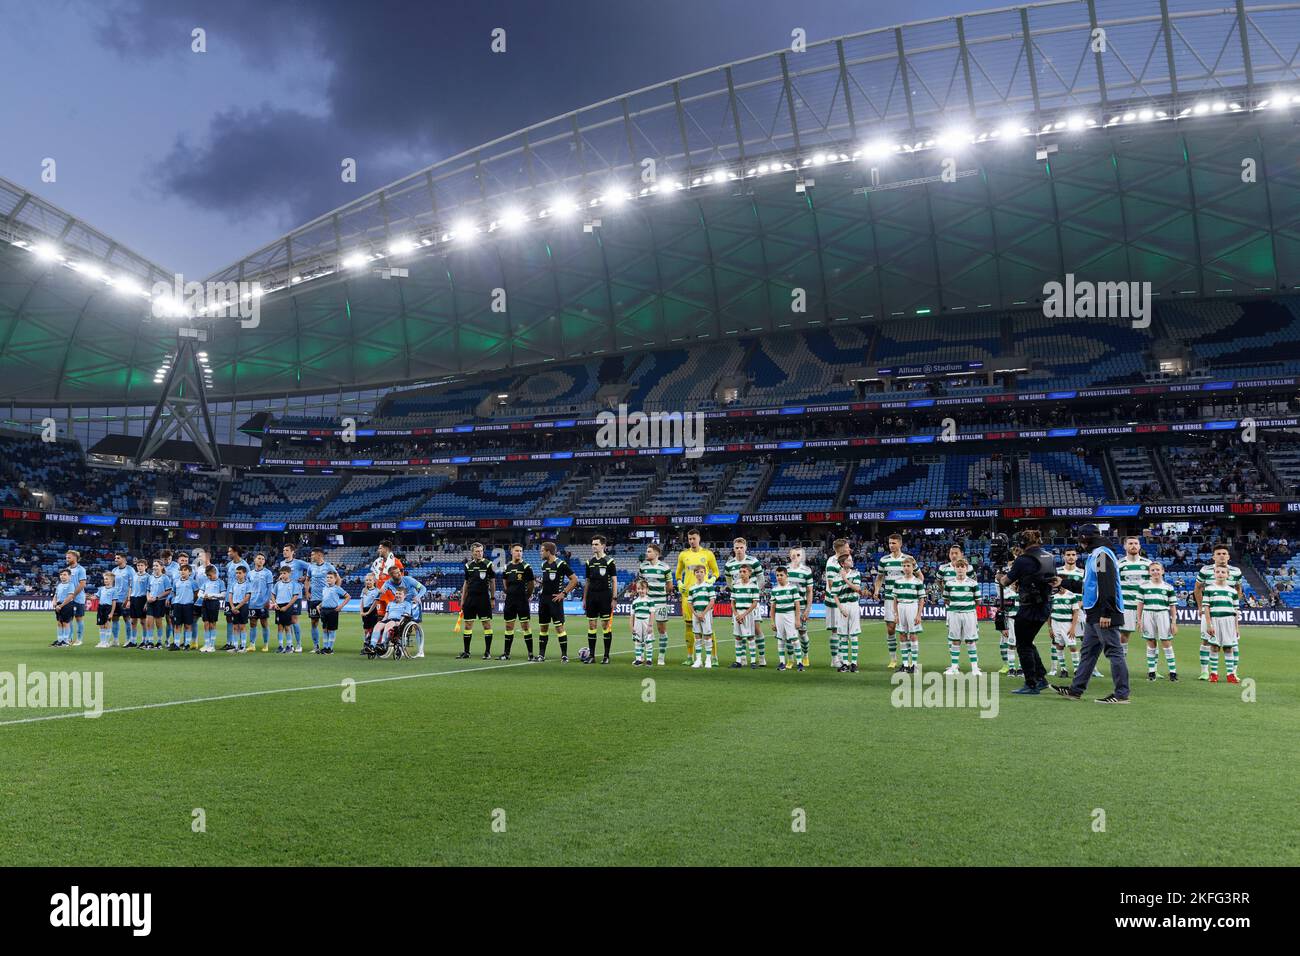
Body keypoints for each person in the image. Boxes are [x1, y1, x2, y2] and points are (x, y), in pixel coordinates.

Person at [1052, 524, 1131, 703]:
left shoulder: (1101, 555)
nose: (1079, 543)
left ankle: (1122, 694)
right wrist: (1062, 582)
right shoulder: (1097, 554)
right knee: (1088, 653)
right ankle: (1075, 690)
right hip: (1095, 612)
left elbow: (1107, 583)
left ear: (1085, 538)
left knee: (1114, 652)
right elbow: (1089, 586)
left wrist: (1107, 612)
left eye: (1080, 539)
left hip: (1103, 612)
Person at [998, 530, 1056, 694]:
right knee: (1028, 642)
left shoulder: (1023, 560)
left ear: (1023, 544)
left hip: (1029, 608)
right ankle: (1041, 678)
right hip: (1044, 606)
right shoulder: (1049, 557)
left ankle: (1031, 683)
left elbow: (1005, 581)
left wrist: (999, 576)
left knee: (1022, 645)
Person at [674, 528, 719, 664]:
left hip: (704, 596)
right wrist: (680, 582)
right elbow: (677, 573)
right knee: (689, 626)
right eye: (689, 539)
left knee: (708, 627)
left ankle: (714, 657)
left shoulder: (708, 554)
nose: (692, 541)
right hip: (688, 595)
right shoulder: (683, 555)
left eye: (694, 538)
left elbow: (716, 572)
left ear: (699, 538)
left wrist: (712, 580)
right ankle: (690, 657)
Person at [725, 538, 766, 664]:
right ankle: (742, 658)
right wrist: (738, 593)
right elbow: (729, 582)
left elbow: (761, 579)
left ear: (745, 548)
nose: (739, 550)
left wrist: (753, 592)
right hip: (739, 602)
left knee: (757, 629)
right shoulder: (729, 564)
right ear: (733, 548)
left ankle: (761, 657)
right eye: (736, 547)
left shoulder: (753, 561)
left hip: (751, 601)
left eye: (741, 547)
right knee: (739, 629)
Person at [1136, 561, 1178, 681]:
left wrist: (1174, 622)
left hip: (1163, 614)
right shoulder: (1143, 586)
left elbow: (1173, 606)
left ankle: (1173, 672)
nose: (1155, 572)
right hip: (1148, 614)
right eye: (1153, 570)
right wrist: (1139, 620)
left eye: (1157, 570)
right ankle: (1151, 672)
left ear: (1162, 571)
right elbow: (1140, 604)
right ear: (1149, 572)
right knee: (1151, 642)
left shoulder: (1168, 587)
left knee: (1166, 642)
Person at [536, 541, 577, 663]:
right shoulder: (543, 565)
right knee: (543, 627)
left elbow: (574, 580)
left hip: (555, 600)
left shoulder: (560, 564)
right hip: (544, 599)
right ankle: (541, 655)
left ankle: (564, 655)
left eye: (542, 550)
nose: (540, 552)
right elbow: (547, 581)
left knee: (559, 628)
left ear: (548, 551)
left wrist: (563, 593)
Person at [1200, 565, 1241, 684]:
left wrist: (1236, 628)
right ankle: (1214, 674)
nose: (1220, 573)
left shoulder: (1233, 591)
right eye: (1217, 571)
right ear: (1214, 574)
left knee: (1228, 647)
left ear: (1228, 575)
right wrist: (1209, 624)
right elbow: (1206, 608)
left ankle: (1230, 674)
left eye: (1223, 572)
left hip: (1229, 621)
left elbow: (1235, 611)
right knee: (1215, 647)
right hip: (1215, 620)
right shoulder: (1209, 590)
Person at [583, 535, 618, 664]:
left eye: (596, 544)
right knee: (592, 625)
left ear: (603, 546)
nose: (594, 546)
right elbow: (587, 581)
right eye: (593, 544)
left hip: (605, 596)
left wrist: (614, 598)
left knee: (605, 625)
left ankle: (606, 656)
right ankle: (591, 655)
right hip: (592, 596)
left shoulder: (609, 561)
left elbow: (614, 580)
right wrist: (584, 599)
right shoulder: (589, 562)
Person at [458, 542, 496, 660]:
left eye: (481, 551)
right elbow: (466, 583)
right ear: (472, 553)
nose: (479, 553)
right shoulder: (468, 565)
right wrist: (462, 599)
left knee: (486, 624)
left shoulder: (488, 564)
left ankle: (487, 652)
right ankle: (466, 652)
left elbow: (492, 582)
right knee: (468, 624)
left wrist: (493, 598)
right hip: (470, 598)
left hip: (483, 598)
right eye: (477, 551)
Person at [943, 558, 981, 675]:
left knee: (970, 641)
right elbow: (946, 599)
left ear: (966, 568)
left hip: (969, 614)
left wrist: (966, 608)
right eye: (958, 567)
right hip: (954, 614)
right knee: (955, 640)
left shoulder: (973, 583)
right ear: (954, 568)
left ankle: (974, 668)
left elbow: (978, 601)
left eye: (962, 567)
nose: (960, 569)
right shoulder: (949, 583)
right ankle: (954, 667)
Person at [638, 543, 673, 666]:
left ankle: (661, 657)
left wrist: (662, 594)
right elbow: (641, 584)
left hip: (660, 603)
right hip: (647, 603)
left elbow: (670, 585)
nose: (647, 553)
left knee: (661, 629)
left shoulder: (665, 567)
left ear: (656, 553)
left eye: (649, 551)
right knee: (643, 630)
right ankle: (641, 656)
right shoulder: (643, 567)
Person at [500, 543, 536, 661]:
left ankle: (530, 654)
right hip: (510, 600)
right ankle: (506, 653)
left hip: (522, 600)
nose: (519, 553)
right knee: (509, 626)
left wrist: (527, 596)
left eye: (520, 551)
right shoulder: (507, 567)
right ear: (511, 552)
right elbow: (504, 580)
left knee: (525, 626)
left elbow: (531, 584)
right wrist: (507, 591)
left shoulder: (526, 567)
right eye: (516, 551)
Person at [891, 556, 925, 674]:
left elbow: (921, 599)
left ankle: (914, 665)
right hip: (901, 608)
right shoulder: (898, 581)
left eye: (908, 566)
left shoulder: (917, 582)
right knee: (902, 635)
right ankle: (905, 664)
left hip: (912, 606)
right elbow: (894, 599)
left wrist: (919, 615)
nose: (906, 568)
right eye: (904, 566)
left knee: (913, 635)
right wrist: (895, 614)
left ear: (913, 567)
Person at [770, 565, 805, 672]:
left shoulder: (793, 588)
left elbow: (797, 605)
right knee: (781, 640)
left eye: (781, 575)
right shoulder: (774, 590)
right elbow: (773, 607)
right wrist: (772, 621)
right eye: (777, 575)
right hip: (779, 616)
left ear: (786, 576)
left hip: (790, 615)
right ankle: (782, 662)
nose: (779, 577)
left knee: (794, 640)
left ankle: (799, 663)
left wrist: (797, 619)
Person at [728, 562, 761, 668]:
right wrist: (736, 614)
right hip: (737, 614)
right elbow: (732, 602)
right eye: (740, 571)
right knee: (737, 637)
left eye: (744, 571)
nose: (742, 573)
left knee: (750, 637)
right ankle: (738, 661)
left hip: (748, 614)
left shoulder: (754, 586)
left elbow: (754, 603)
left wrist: (744, 614)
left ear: (749, 573)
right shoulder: (736, 586)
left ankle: (752, 661)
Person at [785, 547, 814, 668]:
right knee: (788, 634)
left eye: (797, 555)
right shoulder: (785, 570)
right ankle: (790, 659)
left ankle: (805, 655)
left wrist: (808, 608)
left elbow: (809, 591)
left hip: (801, 606)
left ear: (801, 557)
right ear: (789, 555)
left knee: (802, 632)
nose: (795, 556)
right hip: (787, 606)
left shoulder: (806, 571)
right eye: (793, 554)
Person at [688, 564, 717, 669]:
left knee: (707, 636)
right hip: (696, 614)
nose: (699, 574)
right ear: (694, 574)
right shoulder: (692, 588)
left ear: (705, 573)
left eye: (701, 572)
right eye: (697, 572)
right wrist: (696, 614)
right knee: (697, 636)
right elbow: (689, 603)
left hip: (706, 614)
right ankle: (698, 660)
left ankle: (708, 659)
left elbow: (712, 601)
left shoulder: (709, 586)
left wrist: (703, 613)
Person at [316, 570, 350, 655]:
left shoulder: (337, 588)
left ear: (335, 579)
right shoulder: (324, 588)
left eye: (331, 577)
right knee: (324, 630)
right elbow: (325, 599)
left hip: (333, 611)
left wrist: (340, 606)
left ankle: (330, 648)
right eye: (327, 577)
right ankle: (325, 647)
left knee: (331, 630)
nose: (329, 579)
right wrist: (319, 605)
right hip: (324, 610)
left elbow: (348, 597)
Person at [629, 578, 657, 666]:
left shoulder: (650, 601)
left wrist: (650, 625)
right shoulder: (635, 602)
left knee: (648, 642)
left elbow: (652, 614)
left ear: (647, 590)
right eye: (639, 589)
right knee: (637, 642)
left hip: (646, 623)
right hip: (637, 623)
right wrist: (632, 627)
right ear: (637, 590)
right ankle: (639, 659)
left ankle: (649, 660)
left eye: (643, 588)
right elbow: (632, 616)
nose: (641, 590)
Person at [198, 565, 224, 652]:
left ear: (214, 572)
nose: (209, 577)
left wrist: (212, 595)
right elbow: (199, 593)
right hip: (205, 602)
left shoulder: (220, 582)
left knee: (212, 623)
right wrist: (203, 596)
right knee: (206, 623)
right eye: (207, 575)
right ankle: (206, 644)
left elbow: (223, 594)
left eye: (210, 575)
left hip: (214, 603)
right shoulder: (206, 582)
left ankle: (212, 645)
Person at [228, 565, 253, 653]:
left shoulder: (248, 584)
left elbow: (247, 597)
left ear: (244, 574)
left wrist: (237, 607)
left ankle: (243, 646)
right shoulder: (233, 584)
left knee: (242, 626)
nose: (238, 575)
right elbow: (230, 596)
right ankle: (235, 647)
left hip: (243, 606)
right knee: (235, 627)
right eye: (236, 573)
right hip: (234, 606)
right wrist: (232, 607)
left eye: (240, 573)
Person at [93, 571, 117, 649]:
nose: (105, 580)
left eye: (107, 579)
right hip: (101, 607)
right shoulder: (101, 589)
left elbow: (114, 602)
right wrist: (88, 597)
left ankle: (106, 642)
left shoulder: (114, 590)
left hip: (108, 608)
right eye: (104, 579)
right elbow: (95, 597)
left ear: (111, 580)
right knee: (101, 625)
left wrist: (111, 613)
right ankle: (102, 641)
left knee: (107, 624)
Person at [52, 569, 75, 647]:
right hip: (58, 605)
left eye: (65, 575)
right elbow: (56, 595)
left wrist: (61, 606)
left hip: (66, 605)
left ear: (69, 576)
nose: (62, 576)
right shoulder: (59, 585)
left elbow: (70, 596)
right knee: (59, 622)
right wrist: (54, 602)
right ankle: (59, 640)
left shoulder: (71, 585)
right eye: (61, 575)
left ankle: (65, 641)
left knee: (65, 623)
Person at [359, 573, 381, 654]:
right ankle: (366, 646)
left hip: (372, 611)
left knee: (371, 629)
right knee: (365, 630)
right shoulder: (364, 590)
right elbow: (361, 601)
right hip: (364, 611)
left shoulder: (377, 591)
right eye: (367, 580)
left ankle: (371, 646)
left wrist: (368, 612)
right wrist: (361, 611)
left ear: (374, 581)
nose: (368, 582)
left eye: (370, 580)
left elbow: (375, 603)